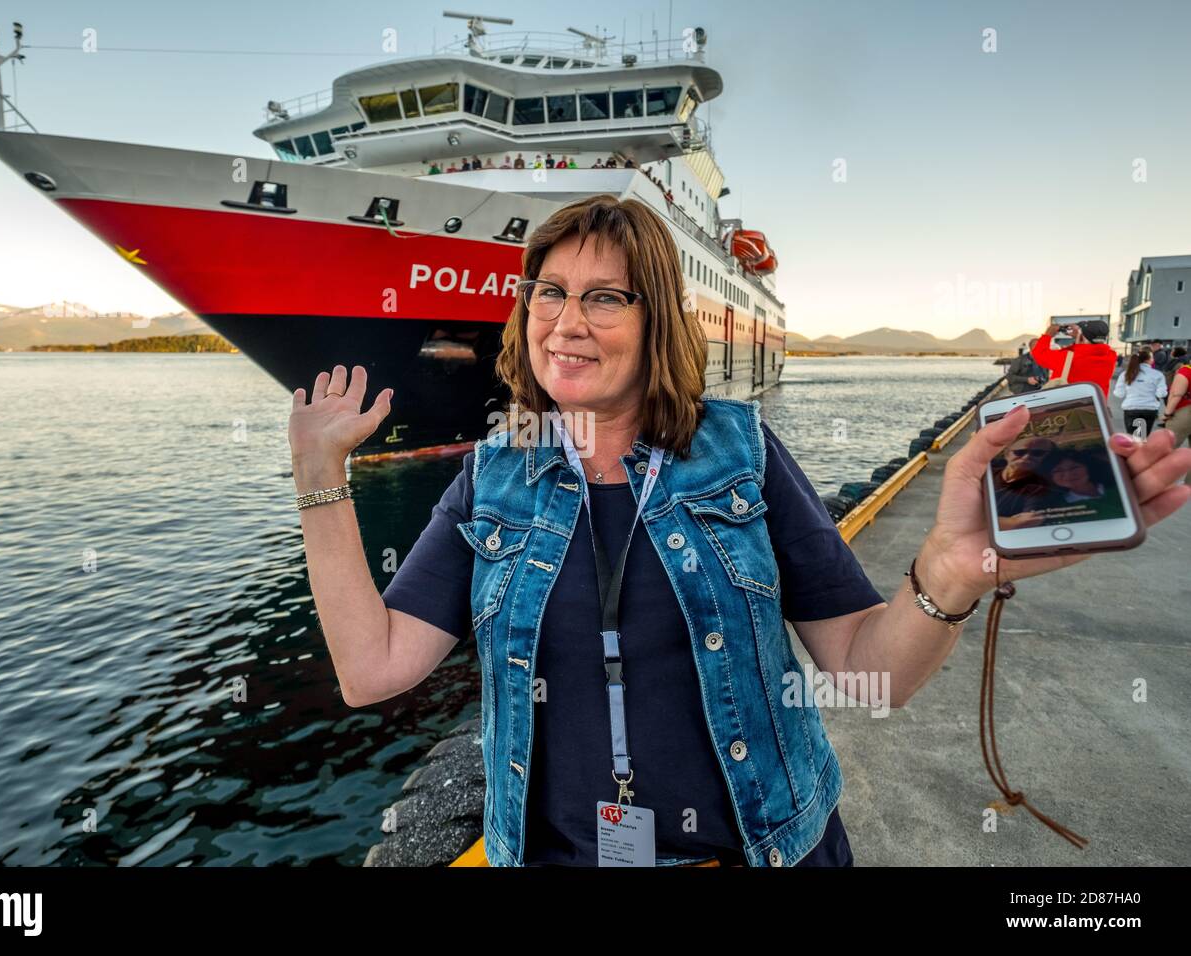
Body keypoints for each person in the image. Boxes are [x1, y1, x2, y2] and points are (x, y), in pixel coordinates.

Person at [286, 195, 1191, 868]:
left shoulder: (739, 453)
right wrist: (320, 478)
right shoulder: (496, 472)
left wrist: (949, 572)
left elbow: (867, 674)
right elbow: (373, 671)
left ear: (656, 324)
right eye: (550, 292)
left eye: (607, 298)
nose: (566, 321)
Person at [1029, 319, 1118, 397]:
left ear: (1082, 337)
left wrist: (1047, 334)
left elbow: (1039, 355)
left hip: (1070, 411)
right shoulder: (1110, 356)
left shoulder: (1067, 358)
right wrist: (1080, 335)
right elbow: (1090, 349)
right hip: (1095, 409)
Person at [991, 435, 1058, 527]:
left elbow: (1024, 523)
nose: (1026, 456)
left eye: (1037, 453)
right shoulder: (987, 472)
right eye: (1019, 452)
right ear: (1006, 454)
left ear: (1049, 458)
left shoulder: (1040, 489)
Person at [1113, 348, 1168, 437]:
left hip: (1131, 408)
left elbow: (1119, 394)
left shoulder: (1126, 374)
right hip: (1149, 409)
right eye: (1152, 358)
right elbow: (1161, 394)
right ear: (1149, 360)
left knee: (1132, 438)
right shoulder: (1158, 374)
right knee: (1143, 437)